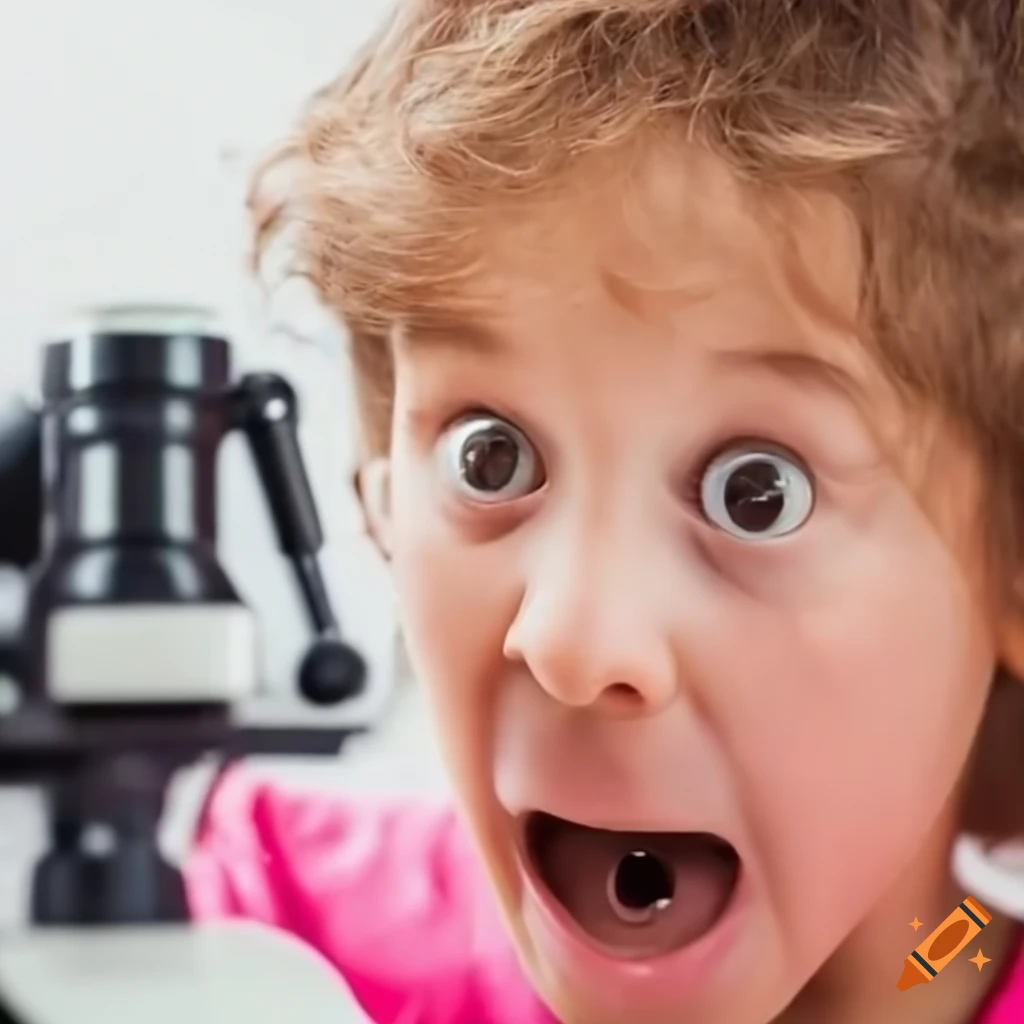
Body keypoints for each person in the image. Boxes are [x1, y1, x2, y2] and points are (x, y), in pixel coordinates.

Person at [185, 1, 1024, 1021]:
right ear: (382, 510)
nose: (572, 641)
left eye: (756, 490)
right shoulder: (254, 945)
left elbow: (960, 942)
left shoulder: (963, 939)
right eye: (488, 458)